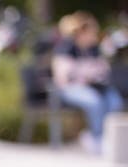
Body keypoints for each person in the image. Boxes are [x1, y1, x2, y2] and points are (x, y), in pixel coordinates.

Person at [52, 10, 124, 153]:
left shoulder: (94, 49)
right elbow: (63, 76)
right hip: (70, 89)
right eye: (92, 32)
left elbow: (103, 70)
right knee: (94, 101)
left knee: (114, 101)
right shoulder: (66, 47)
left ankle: (107, 138)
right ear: (82, 32)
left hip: (95, 87)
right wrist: (85, 73)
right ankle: (96, 138)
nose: (95, 35)